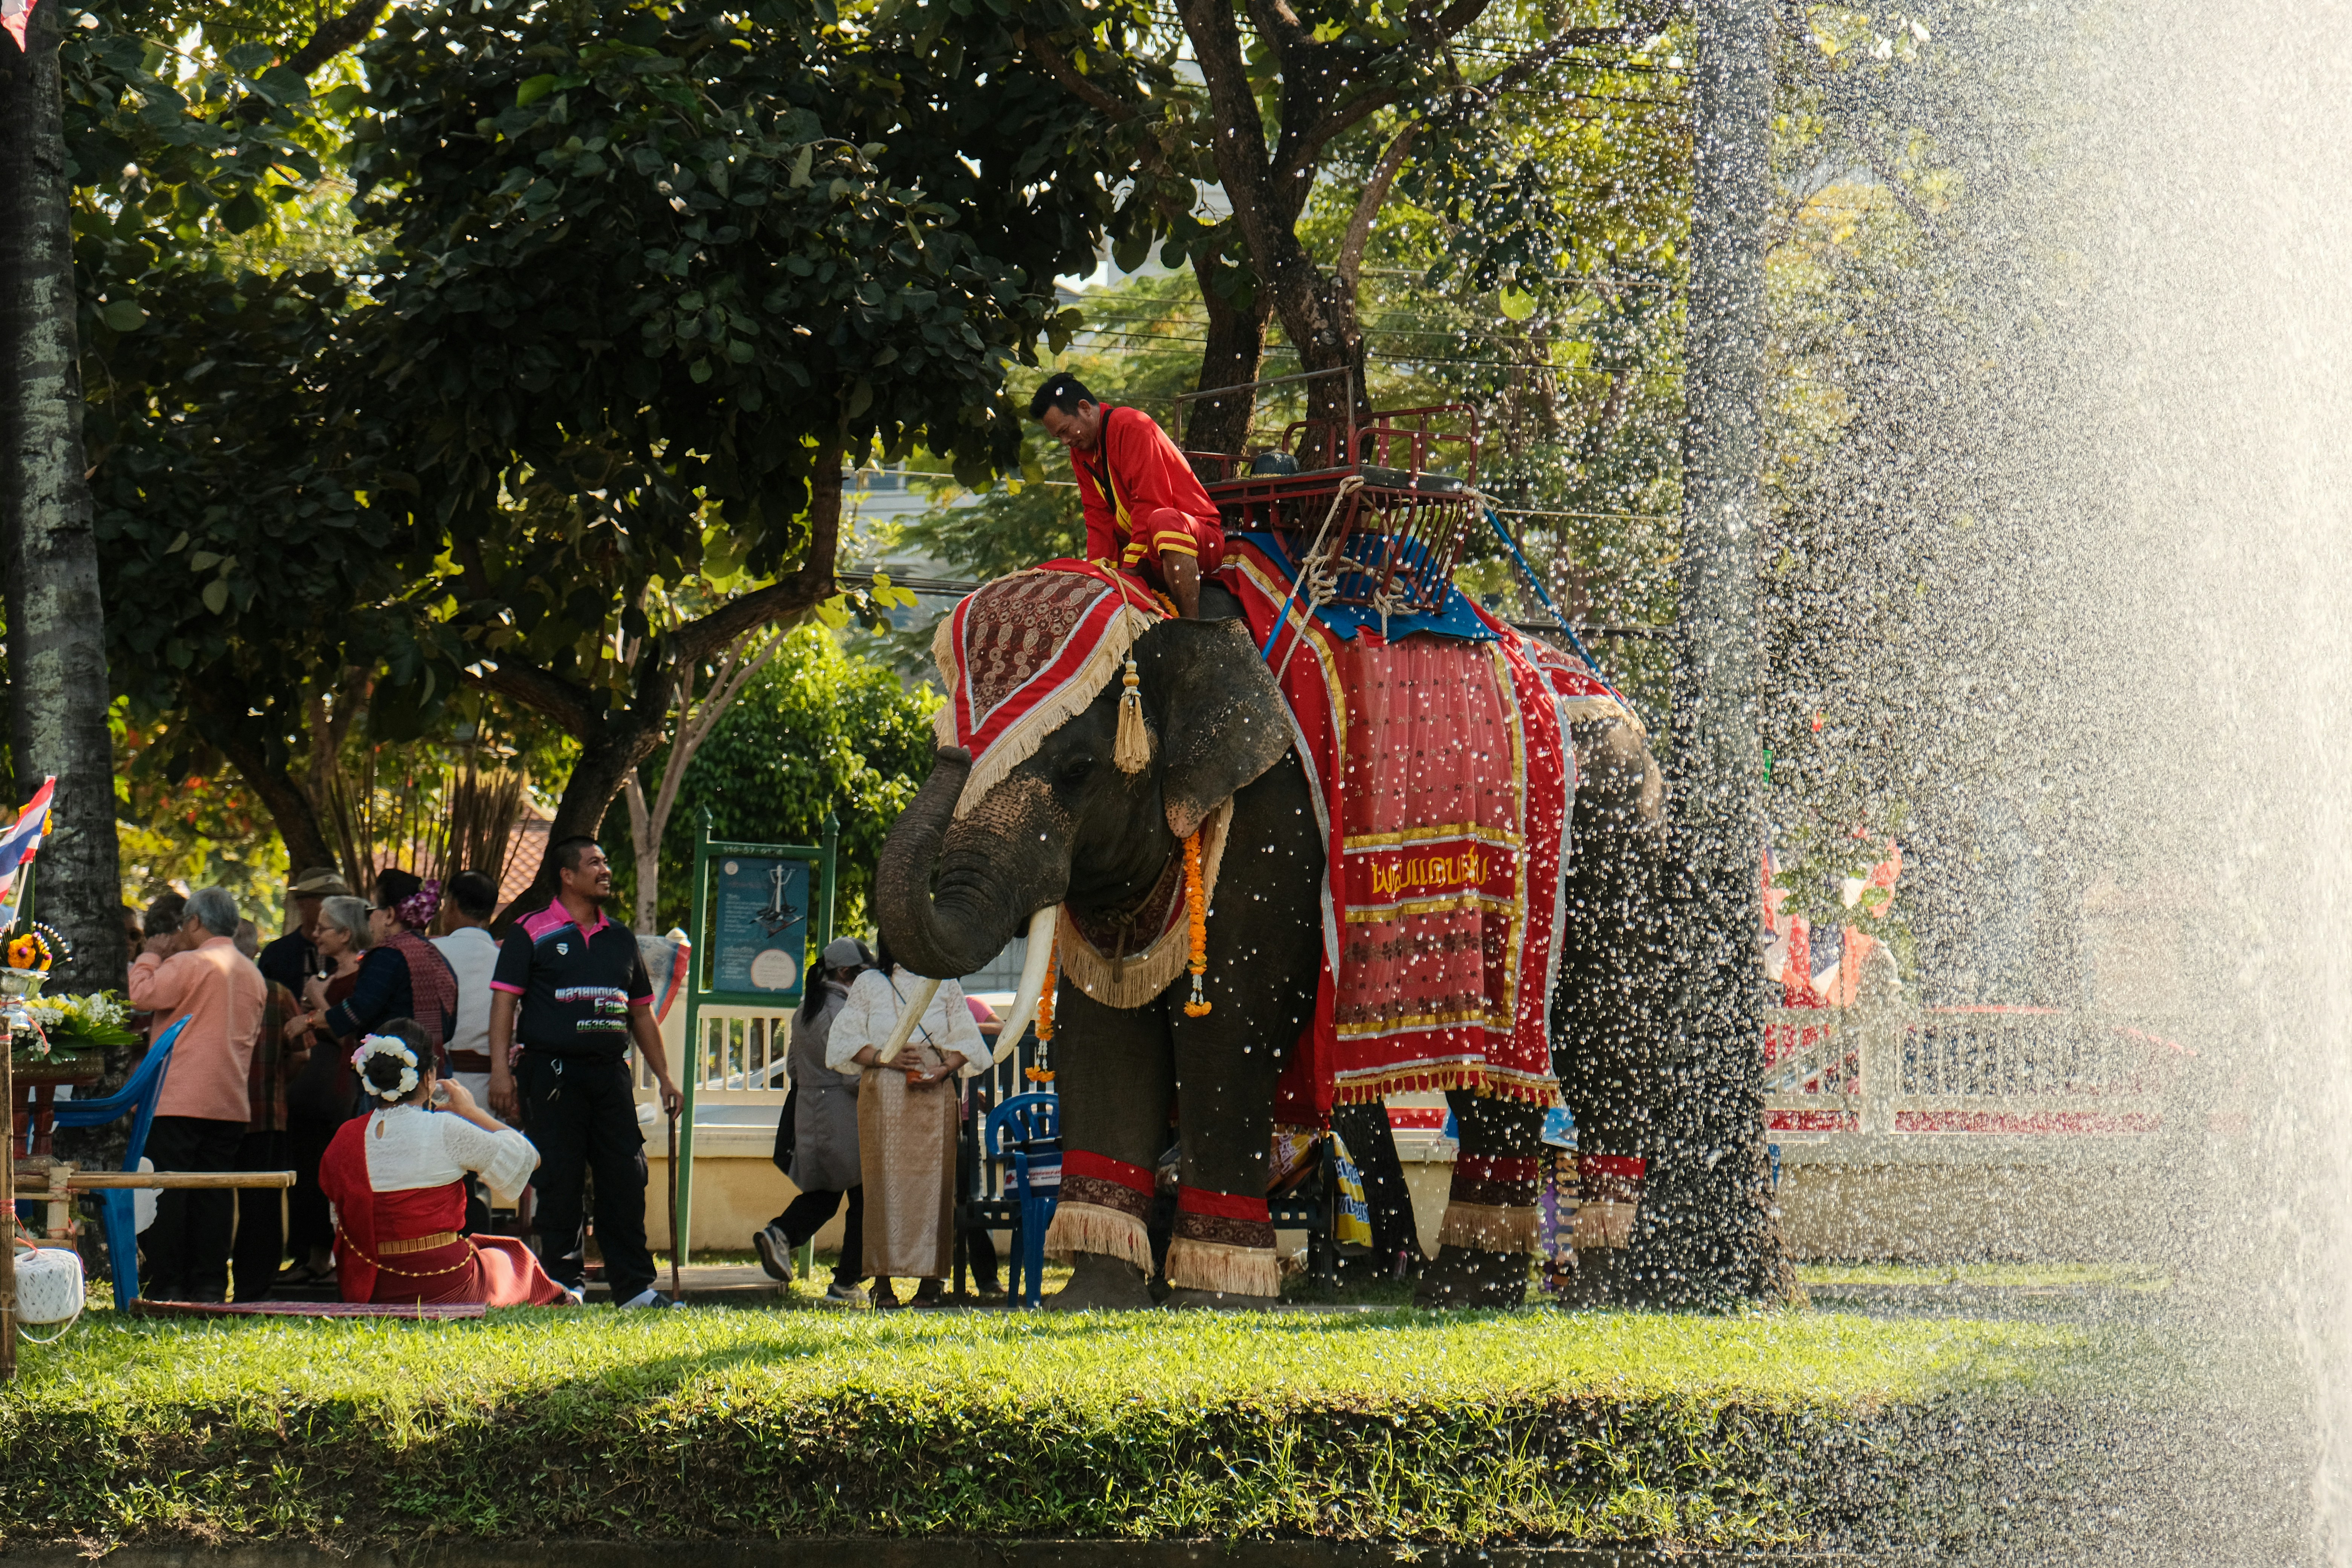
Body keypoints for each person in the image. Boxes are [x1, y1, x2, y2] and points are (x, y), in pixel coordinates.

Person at [487, 836, 683, 1309]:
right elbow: (503, 1003)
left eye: (606, 860)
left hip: (610, 1075)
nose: (606, 869)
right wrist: (500, 1073)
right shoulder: (529, 932)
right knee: (559, 1179)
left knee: (626, 1176)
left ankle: (634, 1287)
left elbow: (641, 1015)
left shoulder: (620, 938)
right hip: (551, 1075)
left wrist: (666, 1078)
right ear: (567, 875)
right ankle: (563, 1284)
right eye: (595, 862)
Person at [318, 1019, 572, 1307]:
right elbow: (529, 1158)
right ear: (428, 1077)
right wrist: (472, 1112)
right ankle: (559, 1296)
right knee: (511, 1258)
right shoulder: (445, 1129)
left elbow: (340, 1221)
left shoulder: (345, 1136)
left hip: (373, 1285)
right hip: (442, 1282)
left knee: (490, 1251)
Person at [825, 935, 987, 1308]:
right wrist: (886, 1058)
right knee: (882, 1186)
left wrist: (944, 1068)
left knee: (935, 1185)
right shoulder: (869, 982)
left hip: (934, 1094)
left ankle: (931, 1282)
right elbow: (844, 1040)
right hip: (884, 1094)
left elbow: (968, 1038)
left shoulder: (944, 981)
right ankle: (882, 1283)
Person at [124, 886, 267, 1302]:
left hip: (178, 1097)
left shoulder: (190, 962)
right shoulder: (251, 973)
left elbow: (142, 994)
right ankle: (208, 1282)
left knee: (169, 1192)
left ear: (195, 922)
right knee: (214, 1194)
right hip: (228, 1099)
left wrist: (150, 954)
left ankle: (167, 1281)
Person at [1029, 371, 1223, 617]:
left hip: (1190, 539)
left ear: (1085, 408)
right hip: (1148, 552)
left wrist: (1129, 569)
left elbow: (1152, 503)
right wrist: (1100, 575)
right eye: (1059, 437)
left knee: (1164, 521)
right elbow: (1097, 517)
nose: (1066, 442)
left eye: (1066, 431)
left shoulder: (1131, 425)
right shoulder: (1081, 453)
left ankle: (1191, 625)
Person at [752, 937, 870, 1301]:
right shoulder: (843, 1011)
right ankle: (845, 1283)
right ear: (848, 973)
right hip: (844, 1115)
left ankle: (781, 1234)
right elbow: (853, 1073)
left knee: (827, 1193)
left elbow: (792, 1067)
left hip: (810, 1112)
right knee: (865, 1197)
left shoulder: (807, 1009)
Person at [279, 893, 372, 1289]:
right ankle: (312, 1254)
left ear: (347, 933)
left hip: (339, 1085)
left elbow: (349, 1029)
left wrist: (315, 1007)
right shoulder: (328, 976)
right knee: (307, 1170)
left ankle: (336, 1253)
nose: (315, 935)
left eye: (323, 928)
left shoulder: (363, 975)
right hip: (309, 1087)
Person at [284, 869, 459, 1072]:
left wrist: (309, 1020)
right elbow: (448, 1025)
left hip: (393, 1074)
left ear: (390, 915)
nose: (369, 920)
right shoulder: (434, 955)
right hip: (430, 1068)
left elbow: (357, 1011)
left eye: (373, 910)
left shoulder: (388, 955)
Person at [230, 968, 306, 1303]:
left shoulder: (212, 987)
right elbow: (303, 1054)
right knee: (263, 1206)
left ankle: (207, 1279)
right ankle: (255, 1287)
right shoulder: (278, 992)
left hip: (217, 1112)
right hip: (267, 1113)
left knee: (210, 1198)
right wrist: (277, 1084)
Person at [430, 870, 504, 1108]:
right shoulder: (506, 961)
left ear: (451, 905)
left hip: (434, 1085)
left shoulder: (429, 952)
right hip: (492, 1088)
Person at [258, 867, 349, 995]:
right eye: (326, 901)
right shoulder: (276, 954)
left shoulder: (352, 953)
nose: (334, 908)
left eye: (339, 901)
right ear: (301, 904)